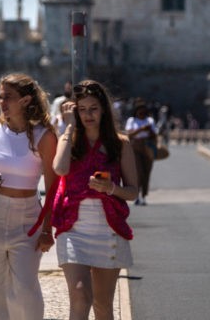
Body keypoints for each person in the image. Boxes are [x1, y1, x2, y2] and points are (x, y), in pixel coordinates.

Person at [0, 73, 57, 320]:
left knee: (27, 290)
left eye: (9, 97)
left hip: (27, 218)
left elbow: (52, 188)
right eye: (0, 96)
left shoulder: (44, 136)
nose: (2, 102)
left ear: (27, 100)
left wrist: (48, 229)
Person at [52, 80, 139, 320]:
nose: (88, 115)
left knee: (103, 307)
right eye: (82, 109)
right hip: (73, 229)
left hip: (108, 230)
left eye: (93, 108)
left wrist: (111, 188)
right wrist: (68, 127)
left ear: (103, 110)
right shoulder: (68, 139)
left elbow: (132, 192)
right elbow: (59, 169)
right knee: (80, 295)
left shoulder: (120, 144)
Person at [124, 100, 157, 205]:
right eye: (140, 112)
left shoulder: (150, 120)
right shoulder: (132, 121)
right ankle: (137, 195)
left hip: (147, 147)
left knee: (146, 172)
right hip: (135, 147)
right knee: (138, 172)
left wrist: (149, 130)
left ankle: (144, 196)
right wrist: (141, 129)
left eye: (143, 112)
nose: (142, 114)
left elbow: (154, 134)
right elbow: (129, 134)